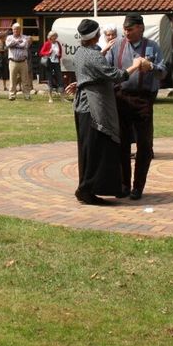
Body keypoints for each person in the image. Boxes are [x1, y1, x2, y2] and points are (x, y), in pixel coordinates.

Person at [64, 19, 148, 206]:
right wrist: (135, 65)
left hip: (82, 106)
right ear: (96, 35)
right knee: (98, 149)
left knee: (88, 149)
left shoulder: (81, 53)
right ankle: (87, 189)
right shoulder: (94, 56)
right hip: (94, 108)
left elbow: (91, 69)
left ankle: (88, 188)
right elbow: (117, 75)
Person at [106, 14, 167, 201]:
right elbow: (106, 69)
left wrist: (152, 67)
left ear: (141, 28)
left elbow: (163, 71)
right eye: (125, 29)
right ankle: (124, 184)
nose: (126, 32)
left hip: (143, 100)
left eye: (130, 29)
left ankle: (138, 186)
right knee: (122, 143)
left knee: (145, 144)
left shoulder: (153, 46)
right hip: (121, 98)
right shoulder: (117, 46)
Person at [5, 23, 34, 101]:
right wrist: (18, 42)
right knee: (12, 79)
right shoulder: (9, 37)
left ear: (20, 30)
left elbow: (25, 45)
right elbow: (8, 45)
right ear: (12, 30)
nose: (16, 30)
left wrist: (15, 43)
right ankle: (12, 96)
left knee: (25, 80)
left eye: (18, 29)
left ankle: (27, 95)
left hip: (23, 61)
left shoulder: (24, 37)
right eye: (14, 29)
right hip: (13, 61)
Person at [39, 31, 65, 102]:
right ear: (50, 37)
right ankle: (50, 98)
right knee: (50, 79)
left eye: (55, 36)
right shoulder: (47, 43)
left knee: (60, 79)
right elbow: (41, 53)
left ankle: (62, 98)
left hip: (56, 62)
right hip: (49, 63)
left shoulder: (58, 43)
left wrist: (58, 55)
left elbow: (60, 53)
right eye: (53, 36)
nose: (55, 37)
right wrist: (48, 53)